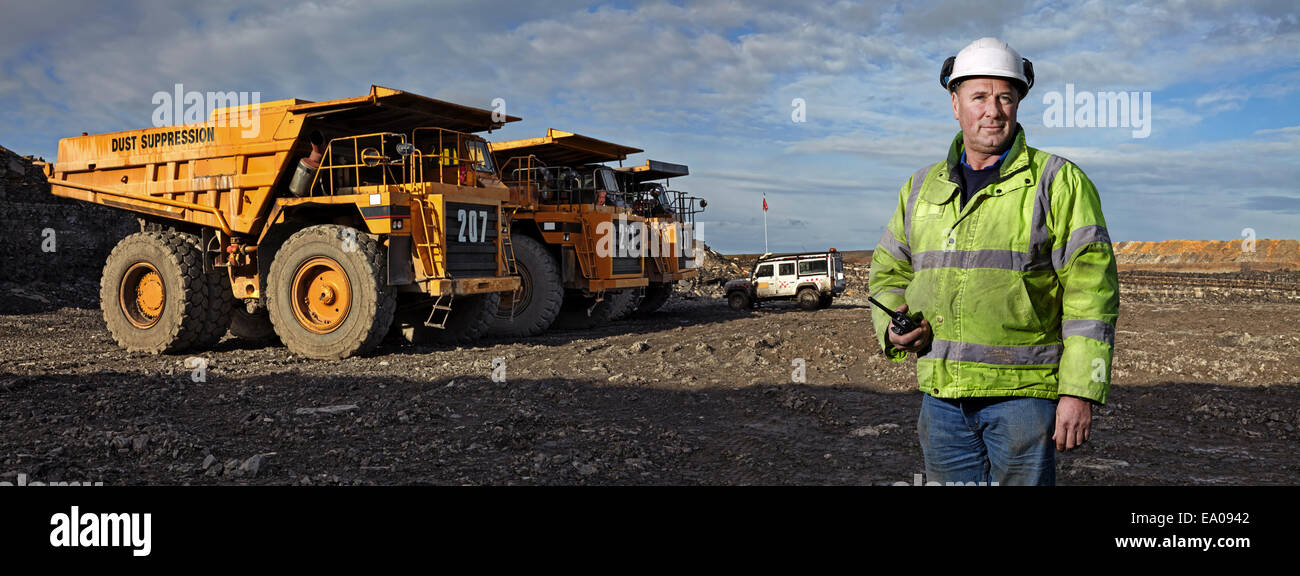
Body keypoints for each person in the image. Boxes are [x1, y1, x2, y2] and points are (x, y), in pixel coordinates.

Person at [868, 37, 1119, 486]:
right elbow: (889, 273)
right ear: (955, 104)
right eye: (979, 97)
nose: (993, 110)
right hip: (942, 400)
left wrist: (1079, 391)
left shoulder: (1058, 183)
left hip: (1023, 401)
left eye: (1005, 97)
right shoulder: (920, 187)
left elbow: (1091, 300)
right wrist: (892, 328)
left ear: (1018, 103)